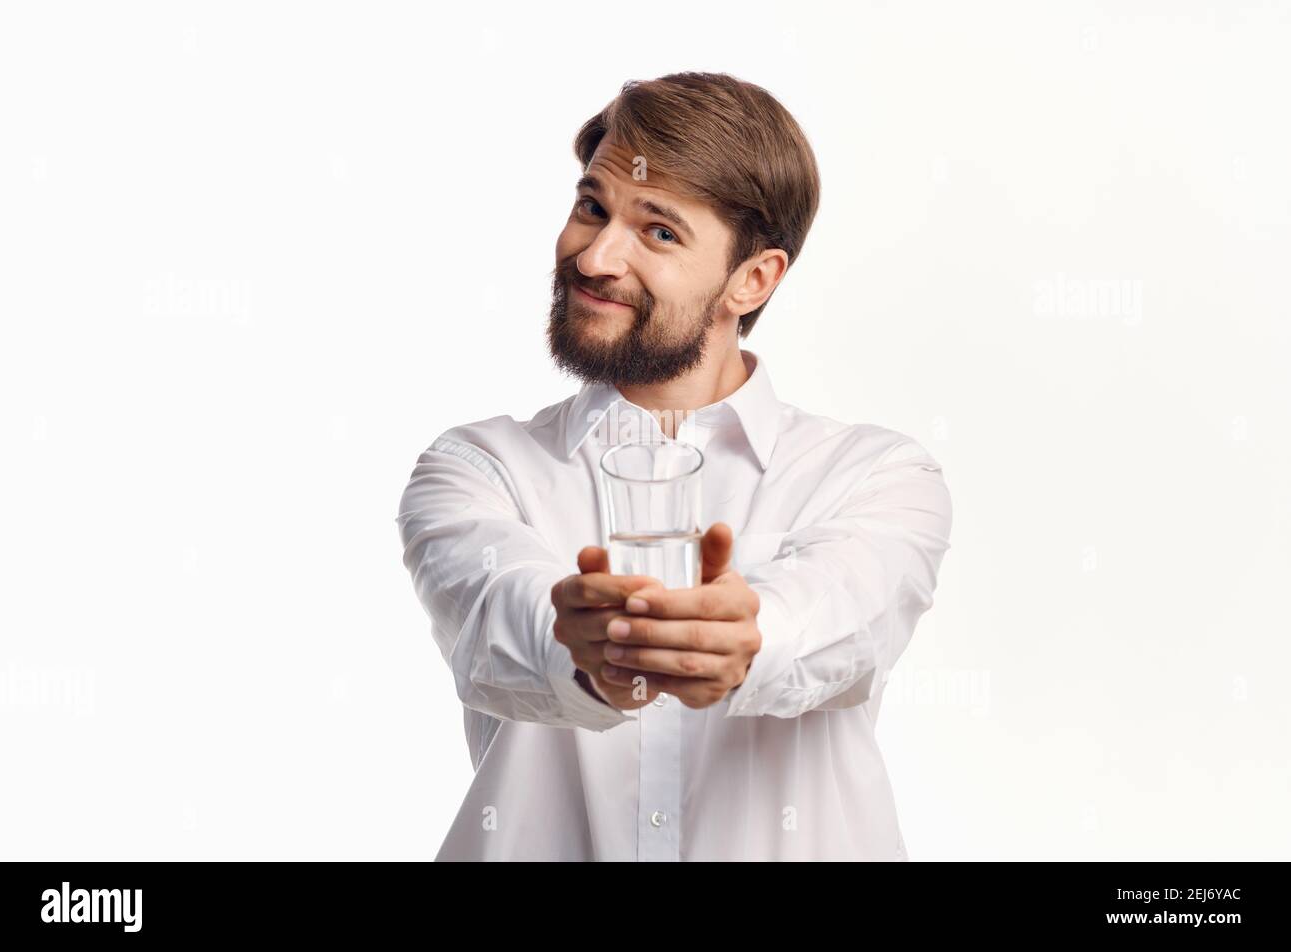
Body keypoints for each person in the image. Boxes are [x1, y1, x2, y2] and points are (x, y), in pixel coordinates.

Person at [396, 71, 953, 860]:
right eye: (593, 208)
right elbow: (493, 615)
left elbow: (843, 613)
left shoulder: (879, 477)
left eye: (658, 232)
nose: (595, 258)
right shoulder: (478, 469)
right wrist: (582, 647)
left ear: (753, 279)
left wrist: (750, 638)